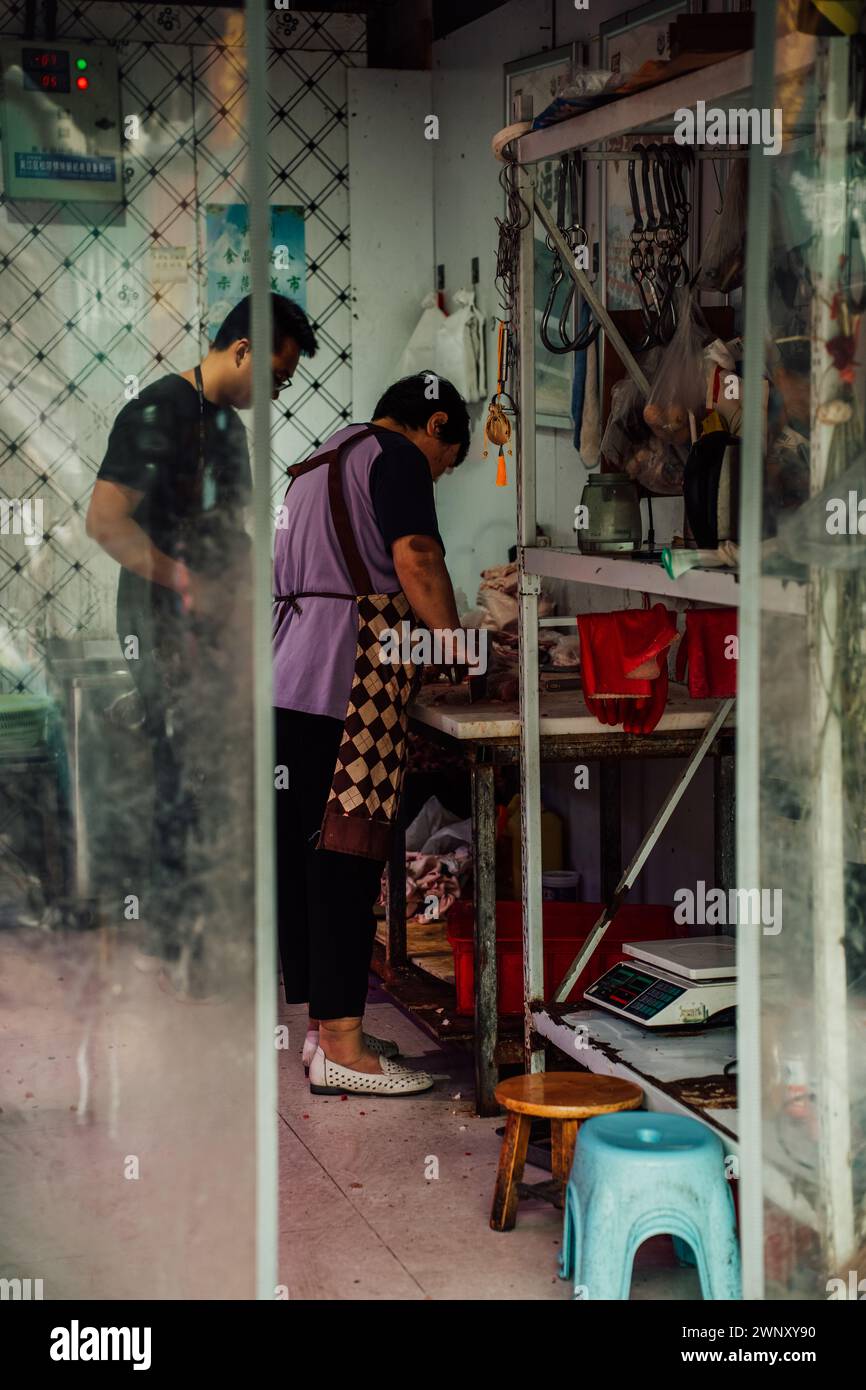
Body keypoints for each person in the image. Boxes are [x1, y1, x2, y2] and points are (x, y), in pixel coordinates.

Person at [87, 294, 317, 998]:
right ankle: (167, 947)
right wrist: (183, 580)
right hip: (161, 620)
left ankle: (207, 941)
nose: (275, 394)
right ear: (241, 350)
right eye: (275, 378)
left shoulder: (223, 426)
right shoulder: (157, 410)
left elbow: (231, 529)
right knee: (182, 768)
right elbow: (104, 521)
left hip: (215, 622)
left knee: (219, 770)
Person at [273, 372, 469, 1094]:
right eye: (449, 460)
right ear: (437, 423)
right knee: (349, 860)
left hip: (287, 679)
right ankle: (342, 1053)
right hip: (342, 684)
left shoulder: (323, 456)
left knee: (312, 864)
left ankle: (328, 1034)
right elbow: (417, 556)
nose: (439, 475)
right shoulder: (397, 458)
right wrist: (454, 646)